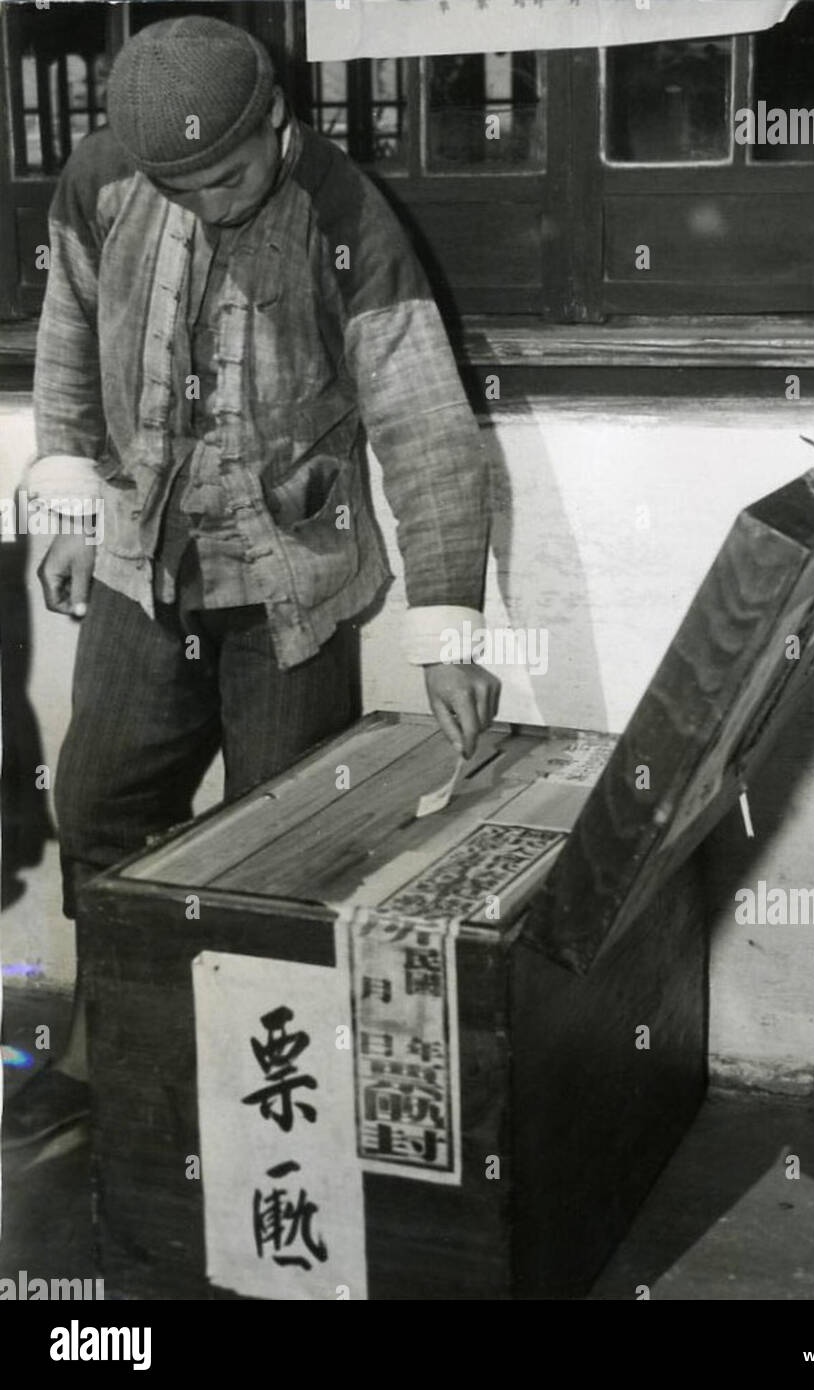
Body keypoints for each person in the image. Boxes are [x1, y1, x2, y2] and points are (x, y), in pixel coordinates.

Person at [6, 16, 499, 1147]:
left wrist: (450, 633)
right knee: (100, 810)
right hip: (142, 568)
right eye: (179, 184)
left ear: (278, 121)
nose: (207, 202)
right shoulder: (103, 180)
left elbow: (424, 424)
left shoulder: (347, 217)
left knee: (278, 857)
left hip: (292, 587)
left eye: (226, 175)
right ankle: (113, 1050)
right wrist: (73, 500)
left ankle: (259, 1098)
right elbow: (68, 331)